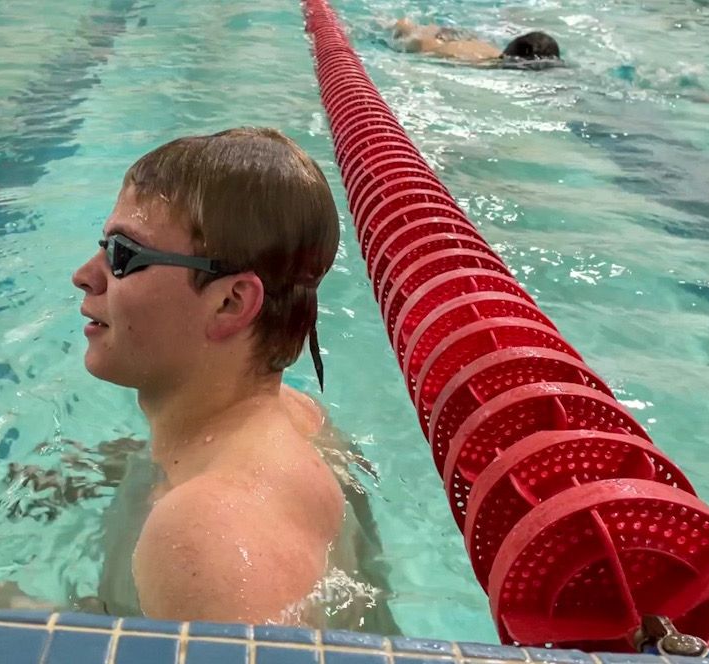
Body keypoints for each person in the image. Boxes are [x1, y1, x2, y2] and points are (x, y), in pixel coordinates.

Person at [71, 127, 397, 629]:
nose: (86, 274)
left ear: (231, 303)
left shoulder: (203, 536)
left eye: (123, 254)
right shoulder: (297, 415)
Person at [390, 18, 560, 64]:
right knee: (406, 27)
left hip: (466, 41)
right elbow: (408, 28)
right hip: (445, 44)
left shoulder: (489, 53)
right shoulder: (462, 55)